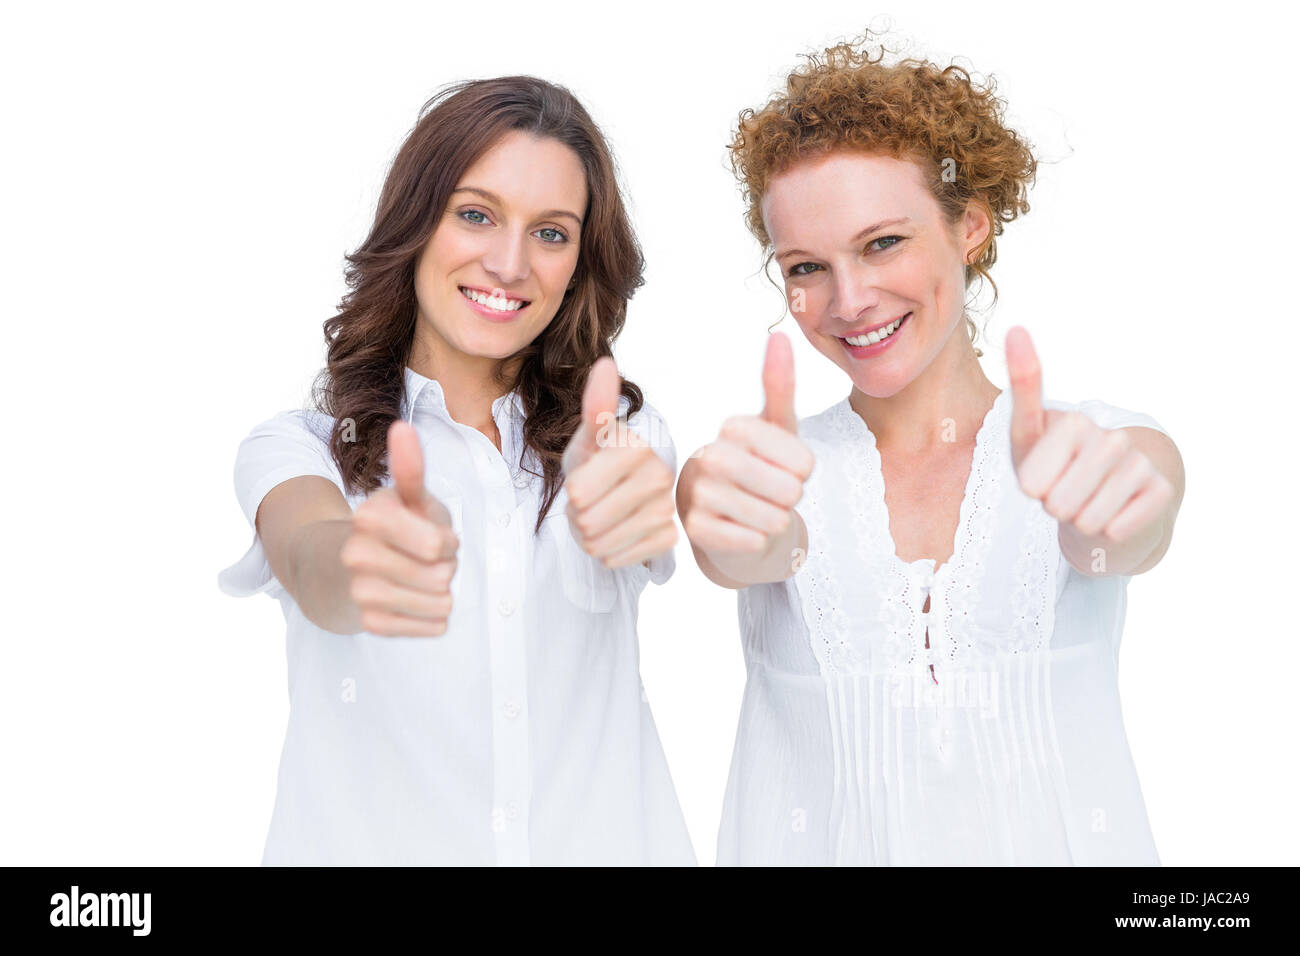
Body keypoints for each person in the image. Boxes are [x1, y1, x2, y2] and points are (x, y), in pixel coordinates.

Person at [677, 35, 1186, 865]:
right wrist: (739, 529)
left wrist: (1115, 511)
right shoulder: (756, 474)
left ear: (971, 226)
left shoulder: (1102, 443)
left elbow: (1130, 527)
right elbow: (748, 549)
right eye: (807, 265)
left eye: (883, 243)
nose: (849, 299)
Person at [218, 76, 694, 866]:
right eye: (476, 215)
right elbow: (312, 554)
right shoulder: (301, 449)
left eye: (551, 233)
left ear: (579, 262)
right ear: (416, 224)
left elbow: (635, 480)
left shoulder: (618, 437)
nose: (509, 264)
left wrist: (629, 494)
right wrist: (362, 558)